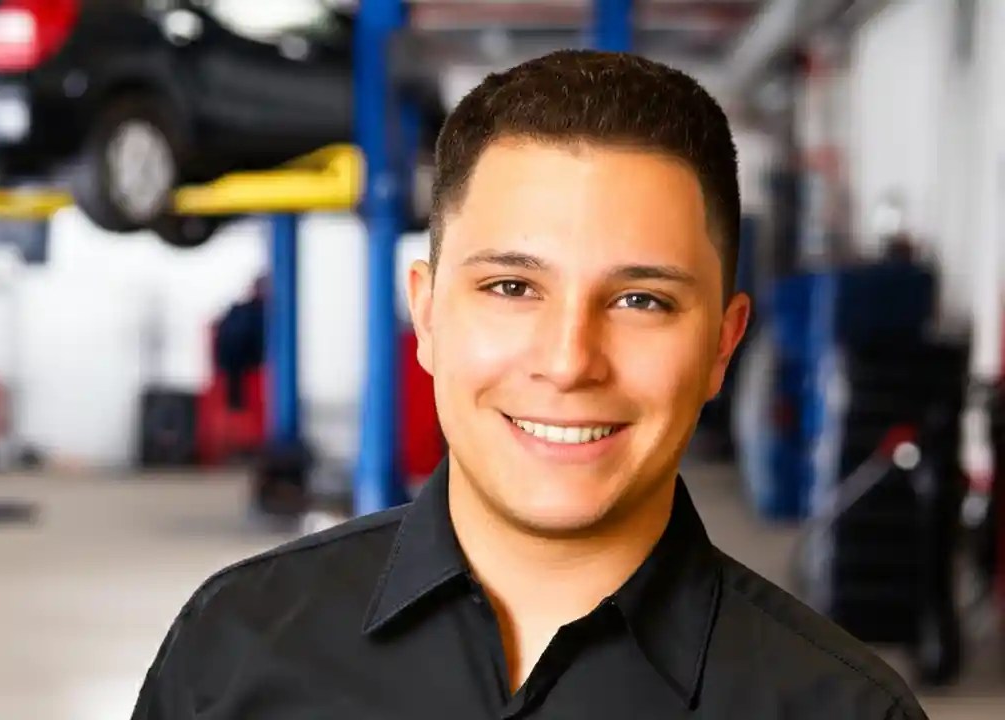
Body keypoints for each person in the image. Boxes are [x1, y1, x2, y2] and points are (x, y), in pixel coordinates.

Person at [130, 50, 928, 719]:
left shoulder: (842, 710)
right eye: (512, 287)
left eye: (640, 300)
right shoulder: (233, 653)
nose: (569, 360)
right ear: (428, 314)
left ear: (723, 345)